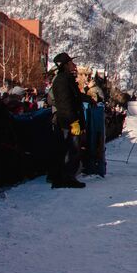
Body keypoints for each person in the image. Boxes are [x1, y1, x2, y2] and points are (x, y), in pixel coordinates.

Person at [49, 52, 86, 189]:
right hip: (67, 122)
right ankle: (67, 178)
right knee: (70, 150)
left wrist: (89, 99)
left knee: (68, 149)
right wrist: (73, 121)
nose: (74, 65)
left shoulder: (66, 79)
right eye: (71, 63)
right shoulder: (62, 80)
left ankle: (63, 177)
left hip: (68, 121)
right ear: (65, 65)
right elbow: (65, 103)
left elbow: (76, 97)